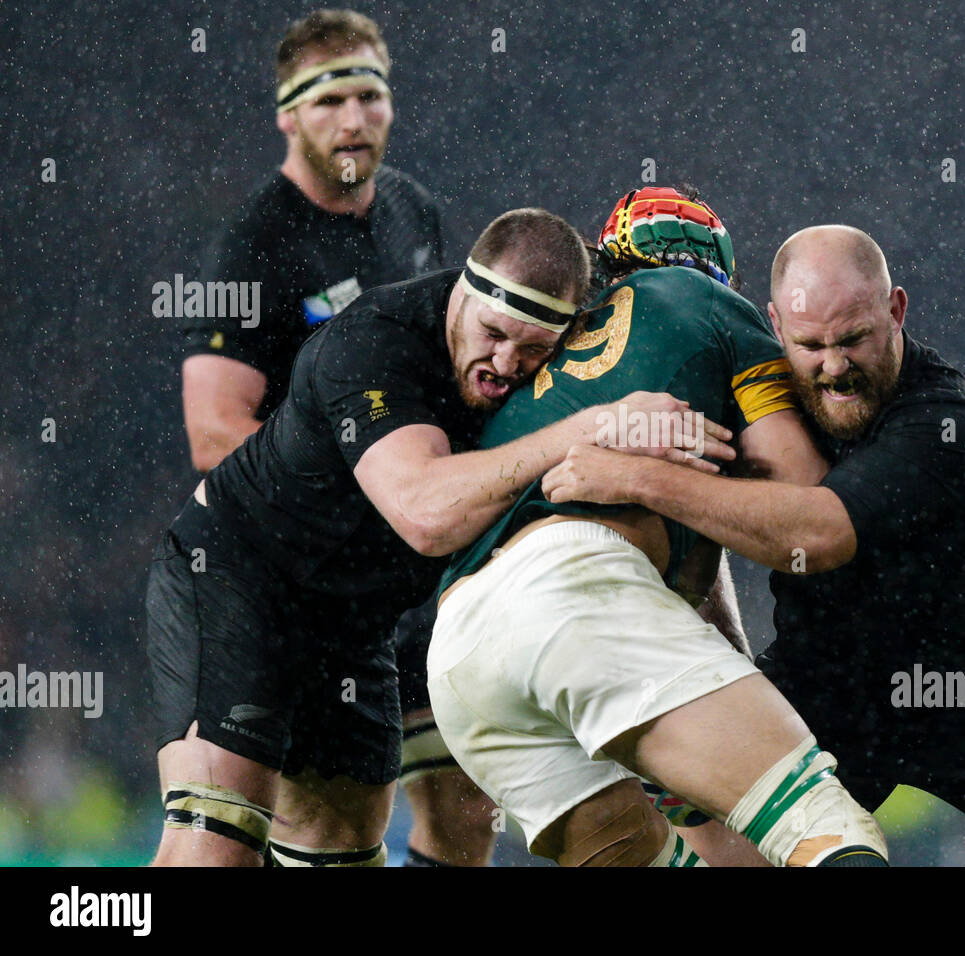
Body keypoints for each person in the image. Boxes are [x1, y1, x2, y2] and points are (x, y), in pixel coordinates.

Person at [542, 224, 965, 866]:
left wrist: (637, 478)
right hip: (826, 690)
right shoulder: (758, 394)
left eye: (853, 340)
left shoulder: (949, 427)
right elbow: (701, 519)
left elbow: (817, 533)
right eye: (810, 345)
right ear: (774, 325)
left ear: (896, 310)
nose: (834, 366)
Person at [147, 206, 726, 866]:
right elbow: (424, 515)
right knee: (215, 845)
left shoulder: (555, 361)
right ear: (464, 291)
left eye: (533, 348)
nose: (506, 363)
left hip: (357, 628)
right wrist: (589, 428)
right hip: (238, 581)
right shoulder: (371, 343)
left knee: (344, 853)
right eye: (493, 333)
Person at [428, 188, 891, 867]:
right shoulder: (708, 304)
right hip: (578, 601)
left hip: (461, 659)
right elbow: (801, 504)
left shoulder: (546, 355)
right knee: (822, 826)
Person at [174, 9, 492, 867]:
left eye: (368, 95)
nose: (353, 119)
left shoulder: (413, 211)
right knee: (307, 834)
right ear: (287, 115)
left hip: (409, 576)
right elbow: (213, 431)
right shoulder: (254, 243)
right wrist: (368, 487)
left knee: (467, 809)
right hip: (307, 583)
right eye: (327, 101)